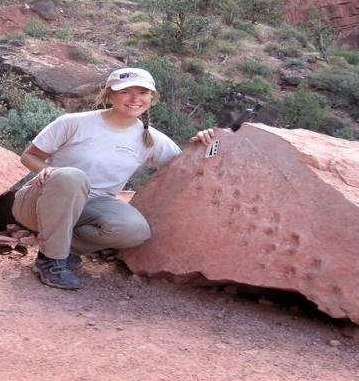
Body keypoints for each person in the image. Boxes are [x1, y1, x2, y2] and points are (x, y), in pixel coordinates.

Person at [13, 67, 217, 290]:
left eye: (142, 93)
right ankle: (50, 260)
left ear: (152, 98)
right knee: (72, 177)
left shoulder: (151, 139)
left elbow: (185, 167)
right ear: (109, 94)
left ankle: (65, 248)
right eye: (125, 92)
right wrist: (48, 170)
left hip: (91, 206)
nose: (134, 99)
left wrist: (200, 143)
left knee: (135, 230)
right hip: (42, 202)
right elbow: (29, 156)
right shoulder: (73, 123)